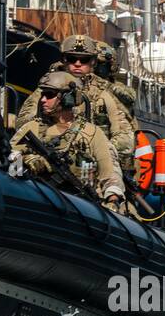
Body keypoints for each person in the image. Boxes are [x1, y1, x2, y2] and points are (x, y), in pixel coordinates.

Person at [14, 35, 136, 173]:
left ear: (93, 62)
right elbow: (23, 124)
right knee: (16, 164)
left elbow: (125, 139)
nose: (77, 64)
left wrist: (96, 150)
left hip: (91, 165)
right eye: (72, 59)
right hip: (49, 159)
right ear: (64, 60)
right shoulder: (47, 89)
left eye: (84, 60)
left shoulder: (104, 94)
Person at [10, 71, 126, 212]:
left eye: (50, 95)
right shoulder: (31, 128)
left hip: (80, 208)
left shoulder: (91, 133)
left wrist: (112, 200)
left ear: (67, 98)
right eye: (43, 94)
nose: (43, 100)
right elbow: (10, 163)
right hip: (36, 201)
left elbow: (110, 175)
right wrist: (28, 162)